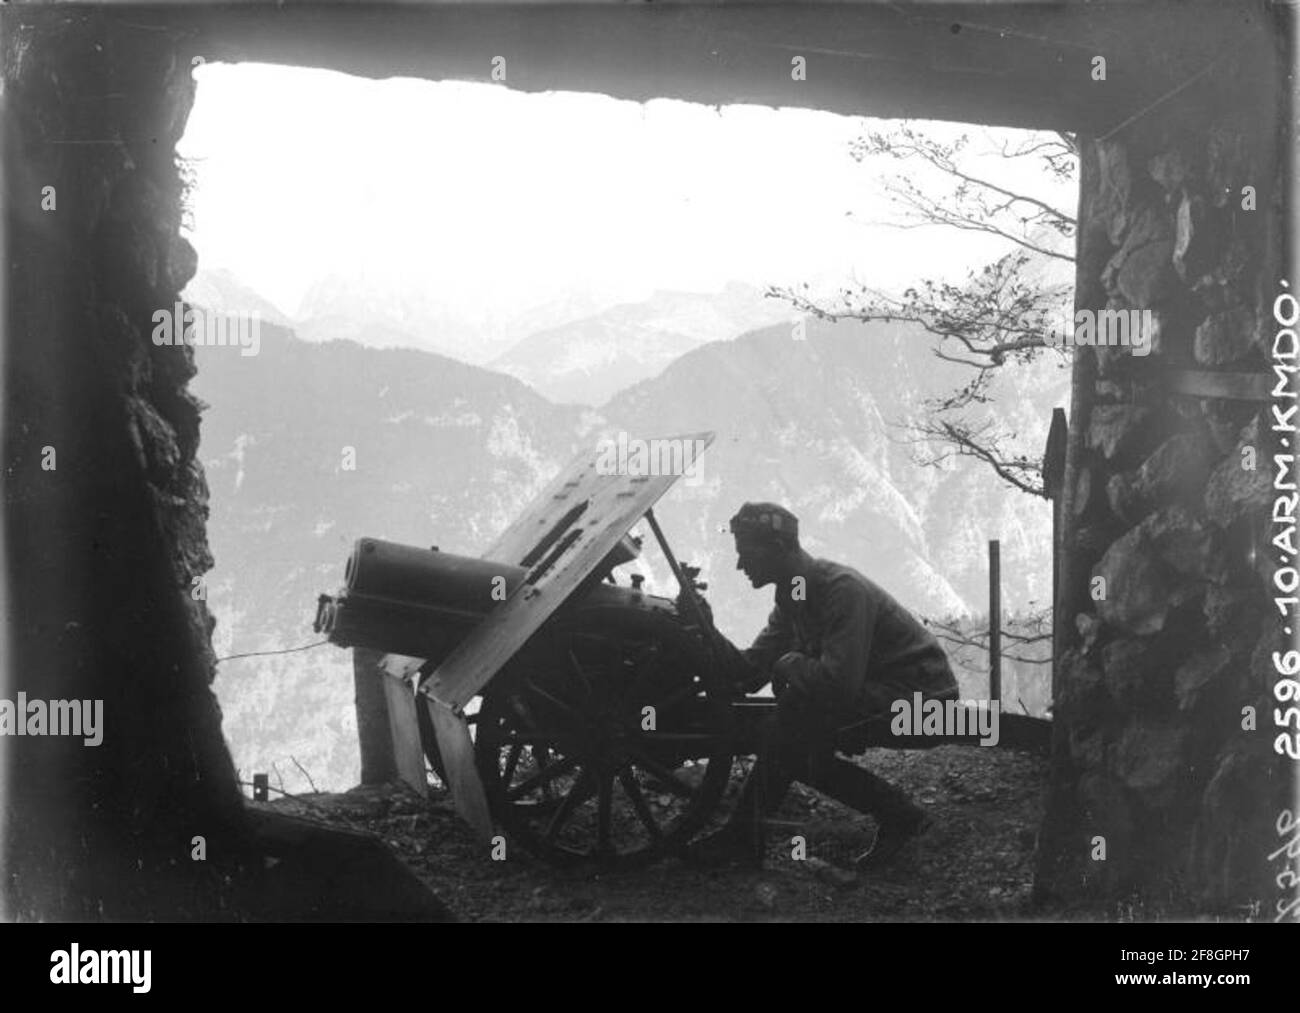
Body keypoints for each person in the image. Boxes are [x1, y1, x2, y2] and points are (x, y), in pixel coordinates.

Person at [691, 501, 959, 868]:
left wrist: (788, 664)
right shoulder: (794, 595)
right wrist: (706, 630)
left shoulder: (841, 591)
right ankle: (898, 815)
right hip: (888, 696)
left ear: (779, 548)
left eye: (747, 553)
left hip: (926, 706)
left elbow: (837, 686)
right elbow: (749, 673)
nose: (740, 565)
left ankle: (744, 836)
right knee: (787, 738)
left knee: (789, 725)